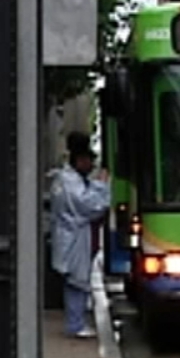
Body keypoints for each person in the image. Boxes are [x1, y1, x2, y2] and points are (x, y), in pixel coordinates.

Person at [49, 132, 112, 338]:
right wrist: (102, 187)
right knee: (77, 281)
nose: (91, 166)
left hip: (73, 236)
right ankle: (75, 323)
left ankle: (76, 321)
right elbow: (90, 206)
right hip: (75, 237)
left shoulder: (69, 180)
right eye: (88, 161)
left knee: (77, 280)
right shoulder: (70, 183)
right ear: (79, 160)